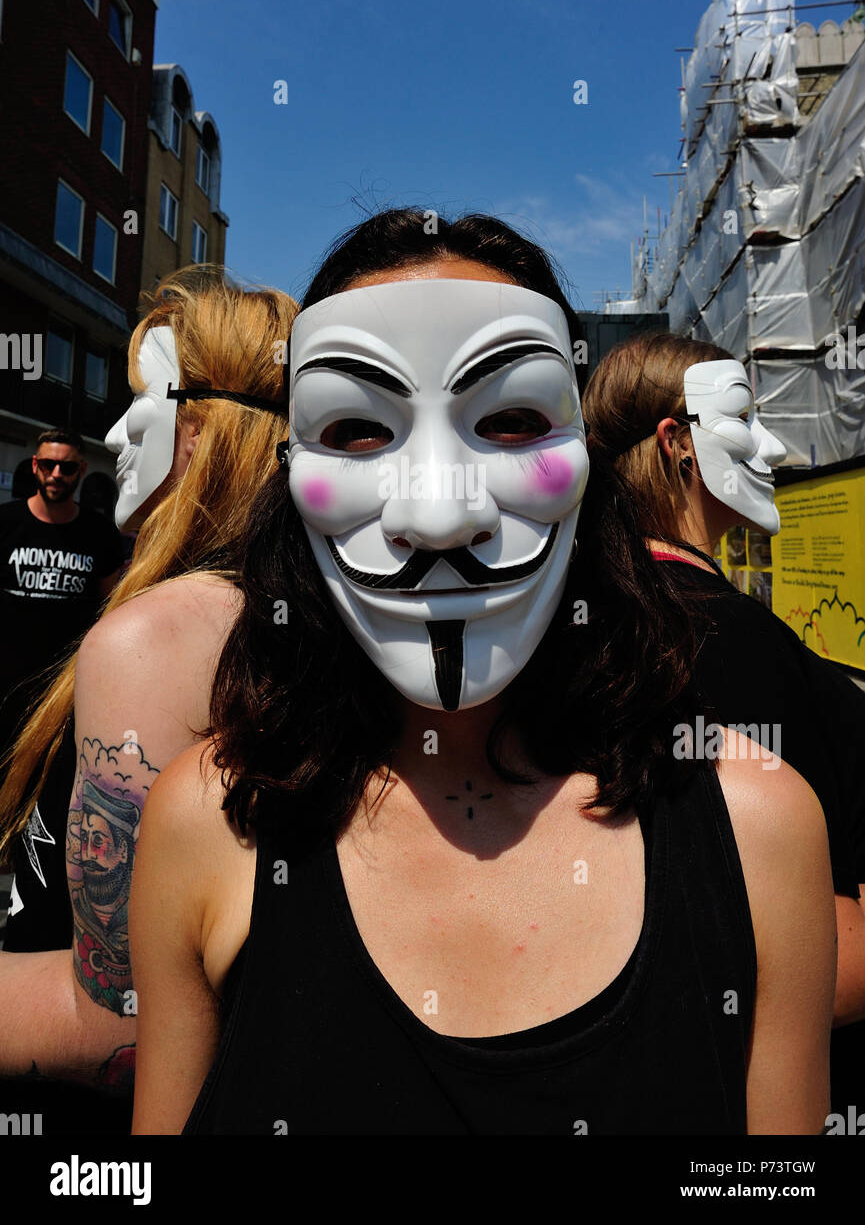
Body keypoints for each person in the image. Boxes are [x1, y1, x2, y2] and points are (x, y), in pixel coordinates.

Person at [130, 209, 834, 1136]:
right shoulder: (207, 821)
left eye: (507, 421)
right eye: (354, 430)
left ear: (585, 460)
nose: (435, 515)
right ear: (289, 471)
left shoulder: (757, 826)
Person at [0, 266, 295, 1134]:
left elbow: (121, 1018)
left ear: (216, 430)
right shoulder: (271, 612)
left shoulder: (159, 637)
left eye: (148, 399)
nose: (115, 429)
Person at [582, 331, 865, 1111]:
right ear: (676, 443)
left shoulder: (571, 628)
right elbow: (822, 965)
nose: (770, 446)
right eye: (743, 418)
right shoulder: (735, 647)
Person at [0, 429, 125, 762]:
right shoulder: (5, 522)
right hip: (6, 684)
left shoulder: (100, 533)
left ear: (81, 471)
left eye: (67, 468)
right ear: (35, 465)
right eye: (48, 465)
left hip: (66, 688)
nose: (56, 475)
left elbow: (108, 607)